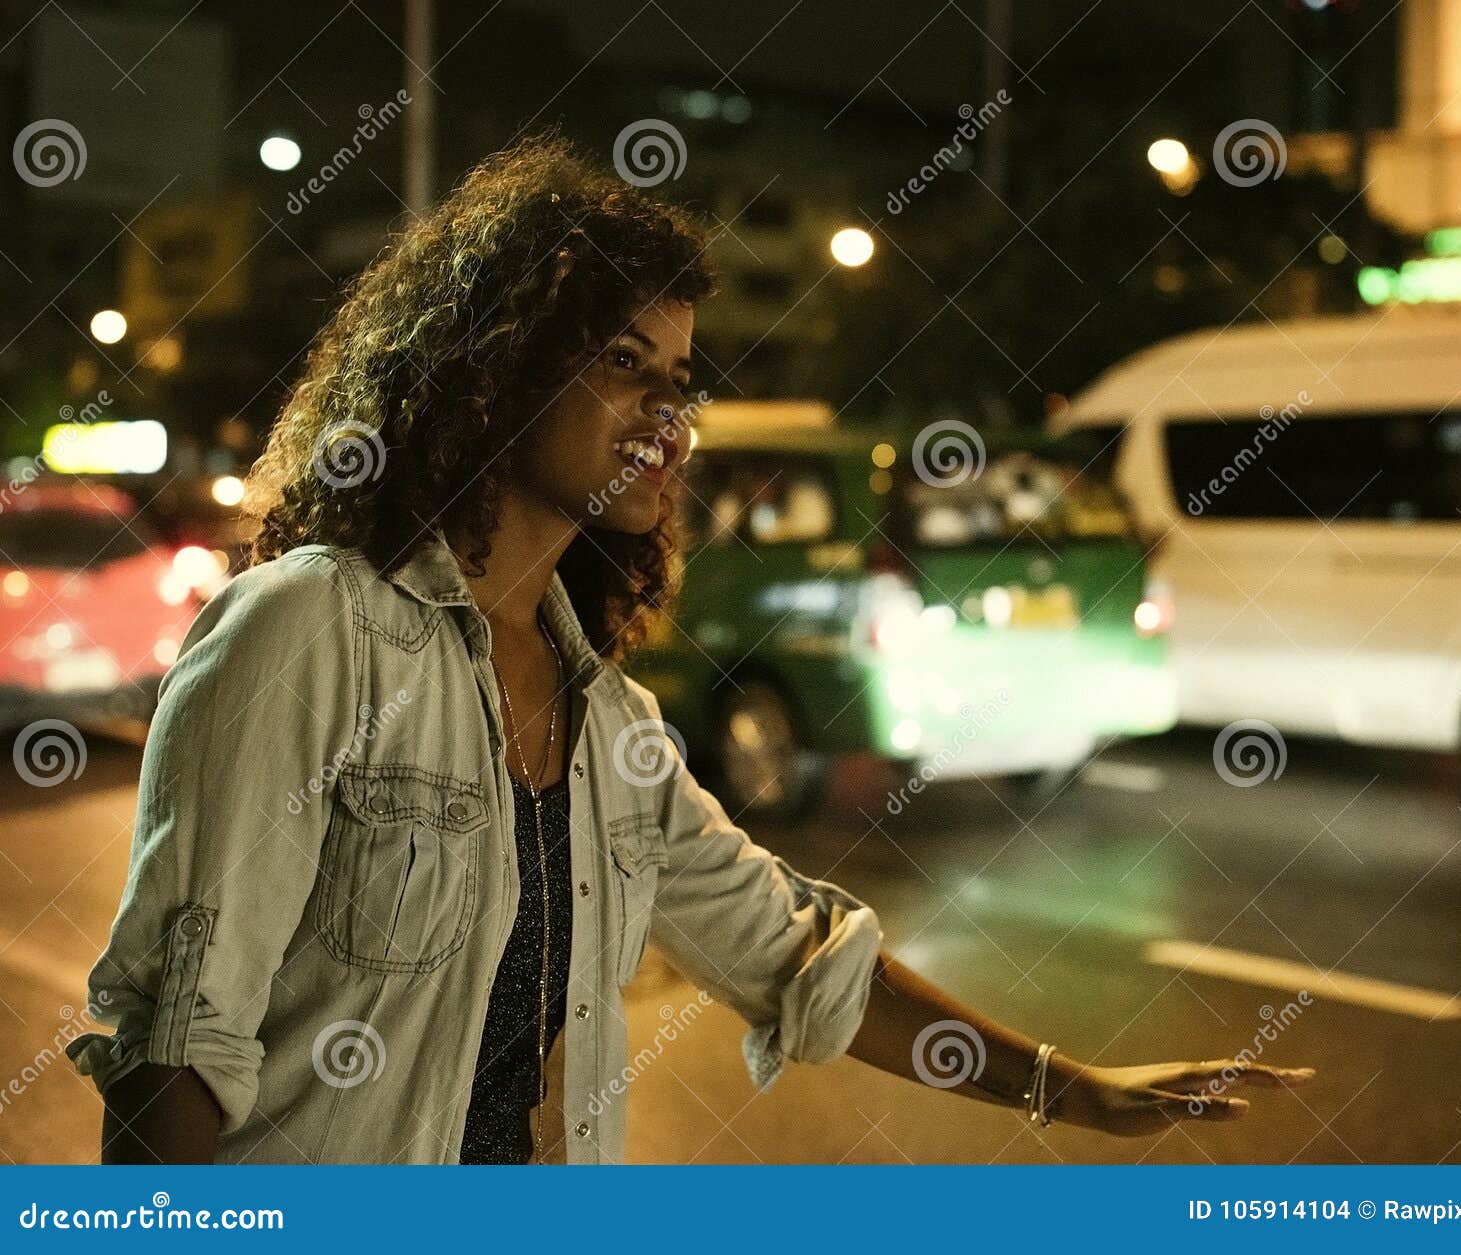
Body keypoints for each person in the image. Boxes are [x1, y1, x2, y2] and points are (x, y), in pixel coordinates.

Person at [67, 134, 1312, 1165]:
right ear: (491, 368)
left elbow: (798, 957)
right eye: (621, 363)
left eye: (679, 377)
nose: (666, 414)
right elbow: (174, 1049)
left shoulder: (612, 727)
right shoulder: (311, 633)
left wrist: (1066, 1086)